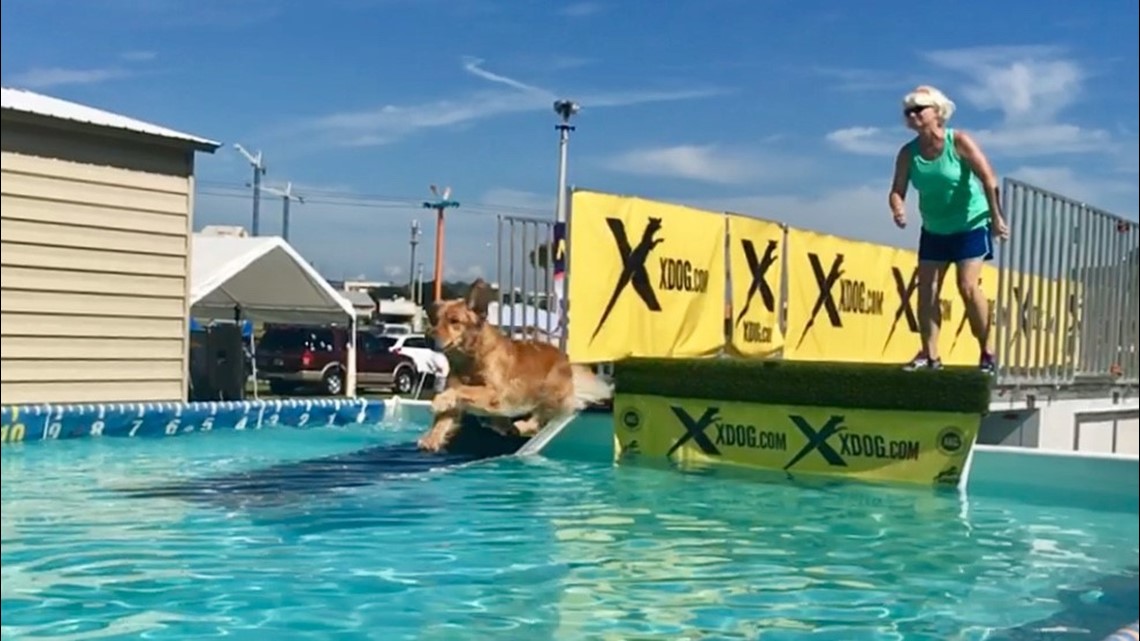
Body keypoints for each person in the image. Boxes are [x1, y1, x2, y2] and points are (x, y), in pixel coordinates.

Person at [888, 85, 1010, 373]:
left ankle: (987, 350)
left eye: (919, 109)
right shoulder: (908, 153)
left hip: (970, 223)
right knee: (927, 290)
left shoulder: (959, 141)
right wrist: (897, 207)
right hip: (934, 229)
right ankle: (930, 355)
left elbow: (988, 178)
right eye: (909, 111)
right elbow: (897, 189)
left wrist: (996, 217)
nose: (913, 115)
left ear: (937, 112)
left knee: (967, 287)